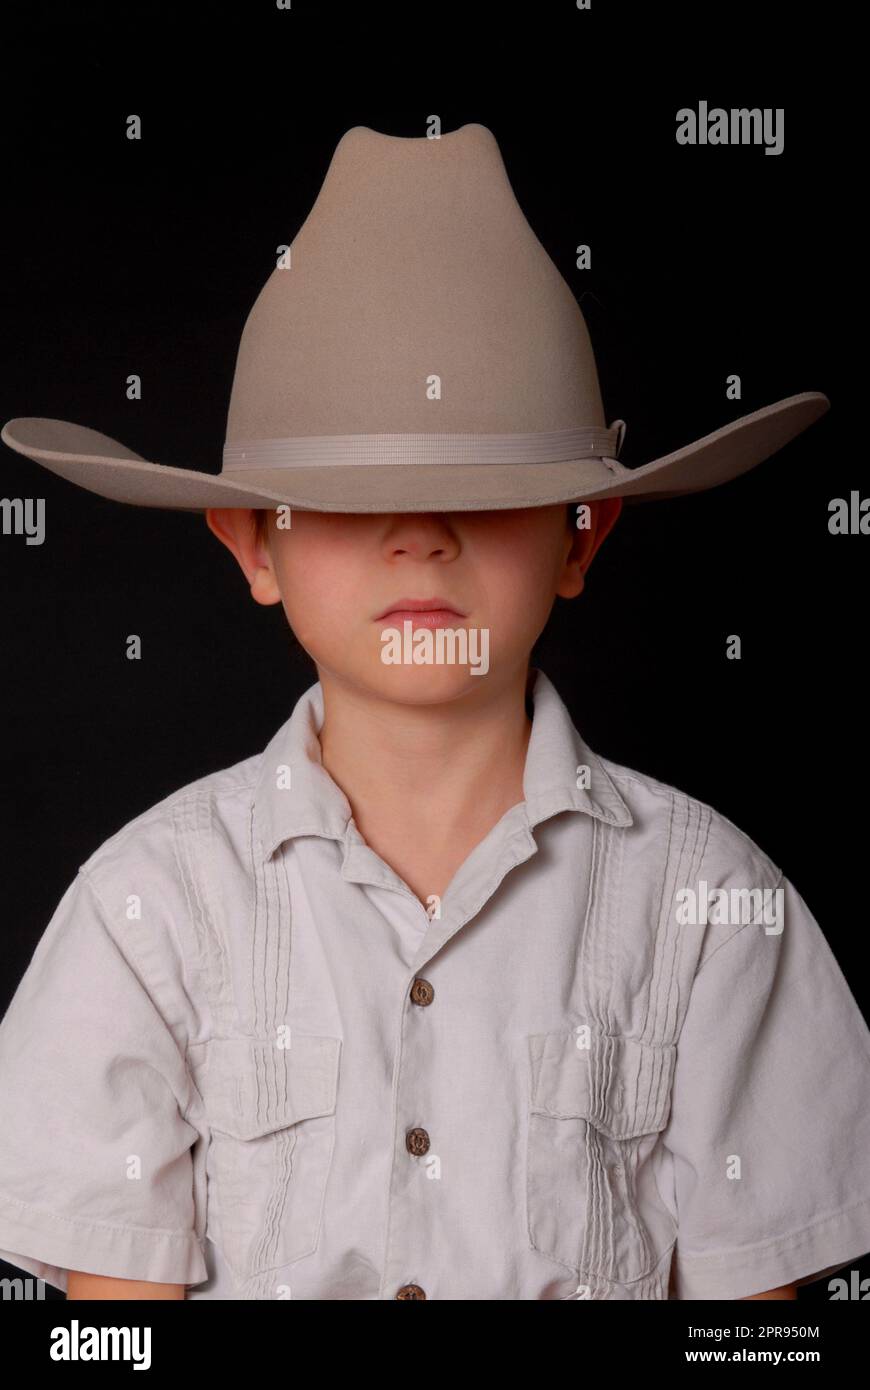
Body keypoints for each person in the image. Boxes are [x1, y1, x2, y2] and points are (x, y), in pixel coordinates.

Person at [0, 123, 867, 1301]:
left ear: (583, 535)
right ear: (254, 542)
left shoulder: (712, 909)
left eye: (484, 492)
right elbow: (105, 1335)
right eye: (349, 502)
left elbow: (767, 1330)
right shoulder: (143, 909)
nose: (420, 534)